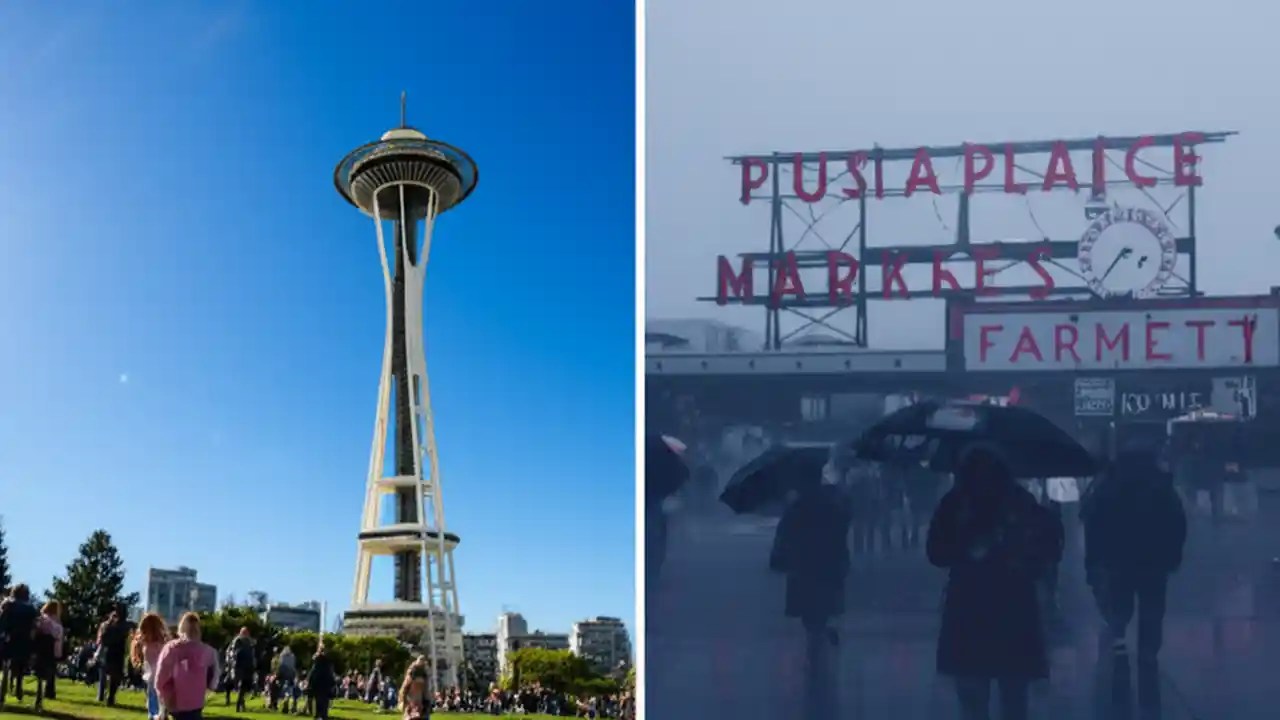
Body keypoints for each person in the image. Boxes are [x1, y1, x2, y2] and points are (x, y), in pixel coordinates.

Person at [927, 445, 1063, 720]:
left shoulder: (955, 503)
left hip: (967, 603)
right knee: (1014, 693)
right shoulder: (1021, 502)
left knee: (972, 693)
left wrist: (965, 549)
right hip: (1014, 604)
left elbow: (936, 553)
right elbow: (1048, 550)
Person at [1083, 443, 1187, 663]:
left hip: (1118, 558)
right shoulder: (1161, 486)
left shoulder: (1108, 486)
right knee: (1152, 607)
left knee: (1119, 603)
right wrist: (1174, 553)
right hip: (1155, 559)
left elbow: (1094, 523)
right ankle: (1148, 651)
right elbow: (1177, 523)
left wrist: (1093, 559)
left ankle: (1119, 641)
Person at [770, 455, 852, 720]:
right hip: (827, 566)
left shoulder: (799, 505)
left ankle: (817, 652)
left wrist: (780, 559)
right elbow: (842, 530)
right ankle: (820, 642)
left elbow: (785, 535)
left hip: (805, 567)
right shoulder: (832, 501)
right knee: (820, 610)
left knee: (810, 615)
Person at [155, 612, 219, 720]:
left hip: (174, 701)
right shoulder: (208, 651)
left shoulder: (171, 649)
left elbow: (160, 678)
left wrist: (162, 695)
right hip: (196, 702)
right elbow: (214, 678)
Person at [0, 584, 40, 706]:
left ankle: (2, 693)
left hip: (8, 637)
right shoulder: (31, 609)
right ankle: (18, 689)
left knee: (5, 666)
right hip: (24, 640)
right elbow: (34, 626)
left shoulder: (8, 605)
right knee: (20, 666)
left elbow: (2, 621)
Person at [132, 613, 172, 720]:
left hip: (152, 678)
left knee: (153, 707)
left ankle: (156, 717)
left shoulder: (145, 644)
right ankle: (162, 715)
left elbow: (138, 655)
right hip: (165, 677)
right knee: (162, 704)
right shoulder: (164, 644)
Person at [33, 601, 65, 711]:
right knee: (49, 674)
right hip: (52, 651)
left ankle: (39, 698)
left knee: (40, 676)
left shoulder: (43, 619)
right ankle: (47, 694)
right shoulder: (57, 623)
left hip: (41, 650)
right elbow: (59, 638)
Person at [96, 608, 131, 706]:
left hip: (109, 652)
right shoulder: (123, 626)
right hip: (117, 653)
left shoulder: (107, 625)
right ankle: (110, 697)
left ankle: (104, 696)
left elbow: (102, 639)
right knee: (114, 677)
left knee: (107, 676)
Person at [228, 627, 256, 712]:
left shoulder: (250, 642)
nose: (246, 634)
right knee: (241, 686)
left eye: (247, 632)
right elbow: (233, 653)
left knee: (244, 687)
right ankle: (239, 705)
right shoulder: (238, 641)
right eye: (244, 632)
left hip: (247, 667)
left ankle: (241, 704)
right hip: (239, 667)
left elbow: (252, 654)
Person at [306, 644, 337, 720]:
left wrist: (309, 683)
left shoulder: (316, 662)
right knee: (324, 701)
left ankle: (318, 715)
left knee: (318, 701)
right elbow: (330, 674)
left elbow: (312, 673)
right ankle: (323, 715)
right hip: (325, 684)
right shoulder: (328, 663)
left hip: (317, 684)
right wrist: (332, 683)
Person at [399, 656, 432, 720]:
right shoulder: (412, 672)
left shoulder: (424, 674)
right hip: (412, 700)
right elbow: (404, 689)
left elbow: (426, 691)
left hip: (420, 700)